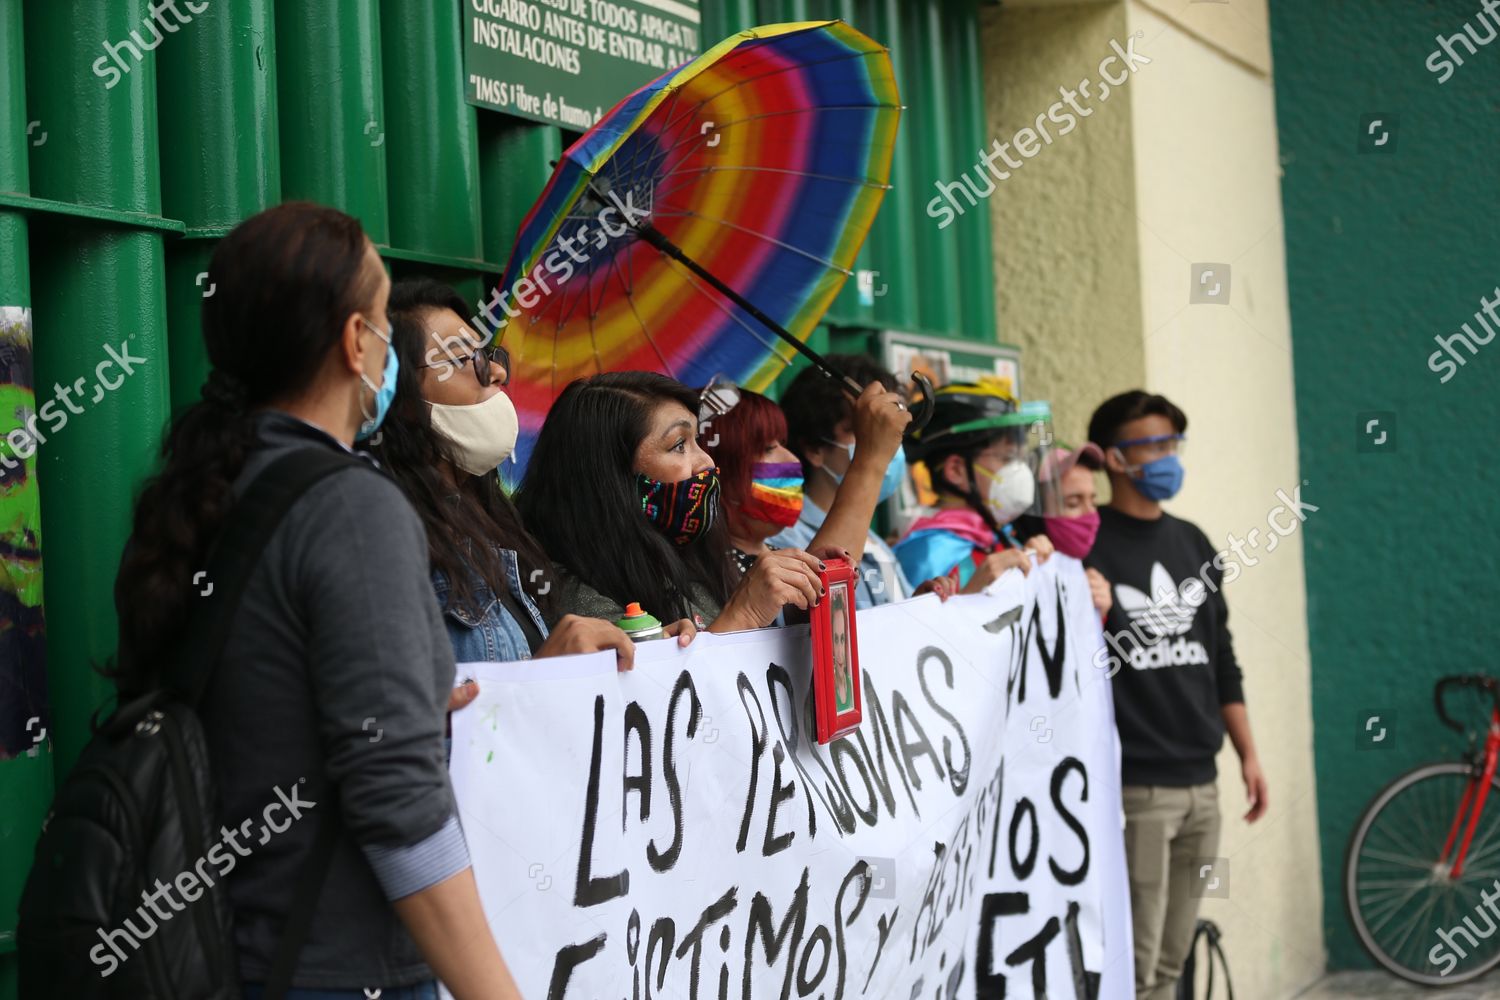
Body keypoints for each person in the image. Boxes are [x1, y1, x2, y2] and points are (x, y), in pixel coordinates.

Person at [112, 203, 521, 999]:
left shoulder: (201, 489)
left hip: (227, 944)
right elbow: (396, 797)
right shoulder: (352, 508)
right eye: (382, 321)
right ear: (354, 343)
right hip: (335, 964)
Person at [369, 277, 692, 675]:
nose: (495, 373)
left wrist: (647, 651)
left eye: (486, 354)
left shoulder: (496, 526)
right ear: (396, 394)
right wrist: (543, 673)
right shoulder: (385, 537)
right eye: (459, 358)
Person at [1085, 389, 1267, 1000]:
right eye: (1152, 445)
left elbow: (1223, 659)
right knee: (1134, 969)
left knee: (1173, 962)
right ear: (1115, 459)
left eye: (1172, 444)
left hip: (1202, 786)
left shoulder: (1193, 541)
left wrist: (1247, 755)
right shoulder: (1087, 544)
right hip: (1137, 789)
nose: (1167, 457)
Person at [515, 371, 826, 632]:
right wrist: (743, 615)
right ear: (612, 477)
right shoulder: (571, 598)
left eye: (697, 442)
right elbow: (666, 701)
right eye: (679, 445)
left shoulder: (690, 558)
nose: (706, 461)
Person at [774, 355, 926, 607]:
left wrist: (924, 602)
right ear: (814, 449)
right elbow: (819, 618)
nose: (887, 443)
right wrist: (871, 459)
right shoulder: (787, 543)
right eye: (863, 430)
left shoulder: (876, 544)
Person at [894, 381, 1053, 591]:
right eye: (1007, 458)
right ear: (956, 470)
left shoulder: (999, 539)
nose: (1020, 470)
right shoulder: (927, 555)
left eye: (1021, 459)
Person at [1015, 442, 1113, 616]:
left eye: (1093, 502)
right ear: (1034, 512)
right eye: (1073, 503)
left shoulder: (1089, 570)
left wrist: (1098, 614)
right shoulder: (1007, 568)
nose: (1090, 515)